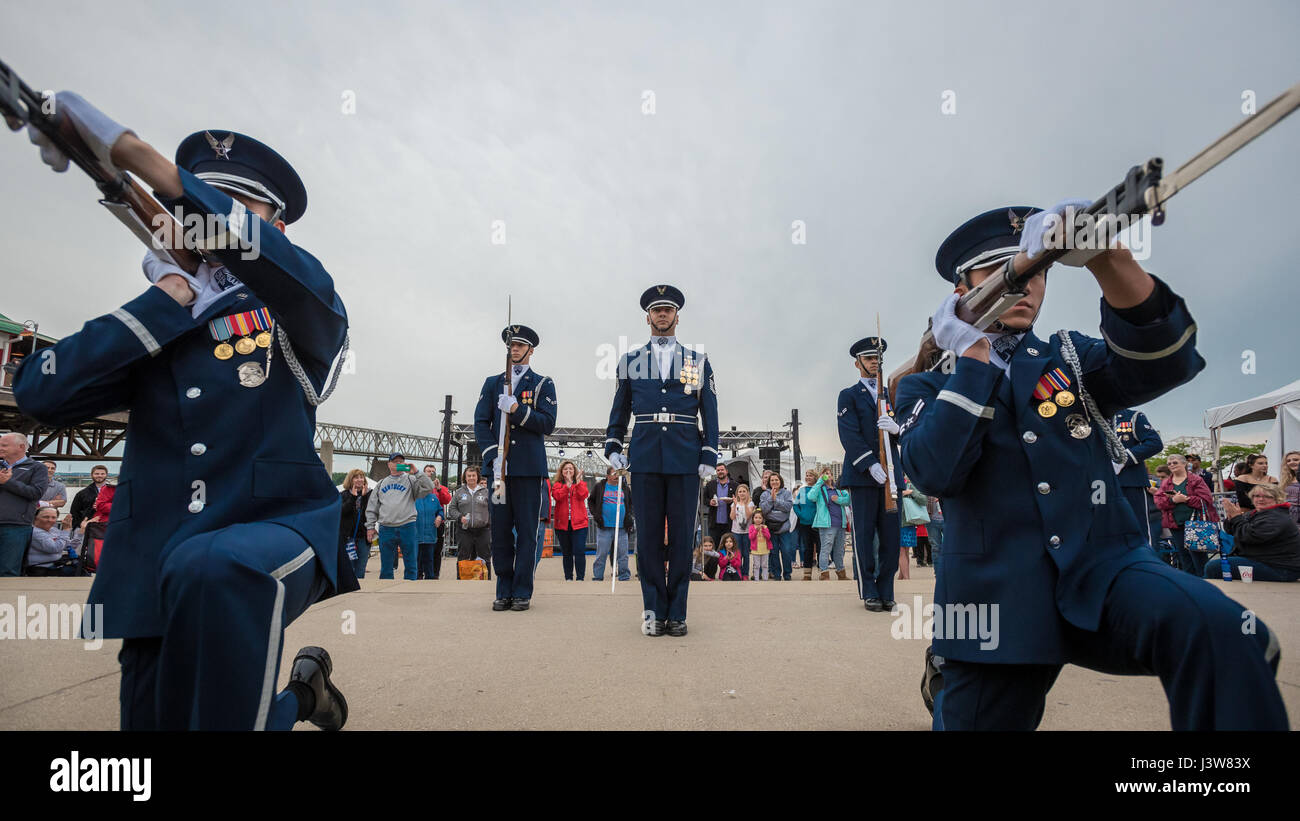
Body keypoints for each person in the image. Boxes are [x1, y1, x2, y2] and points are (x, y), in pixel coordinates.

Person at [12, 105, 352, 729]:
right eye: (204, 198)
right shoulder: (156, 322)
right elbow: (39, 391)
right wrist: (167, 298)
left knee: (215, 570)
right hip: (154, 558)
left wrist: (137, 156)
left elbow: (270, 263)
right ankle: (303, 696)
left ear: (279, 229)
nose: (209, 216)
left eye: (240, 205)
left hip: (270, 528)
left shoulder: (298, 306)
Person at [896, 201, 1286, 730]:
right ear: (963, 289)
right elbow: (935, 473)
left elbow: (1165, 359)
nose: (1024, 285)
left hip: (1107, 575)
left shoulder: (1068, 358)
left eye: (1036, 271)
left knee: (1231, 634)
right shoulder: (929, 384)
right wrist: (972, 359)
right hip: (995, 602)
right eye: (1001, 272)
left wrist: (1106, 255)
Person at [605, 284, 720, 637]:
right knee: (649, 538)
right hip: (644, 455)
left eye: (668, 310)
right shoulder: (631, 361)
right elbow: (620, 408)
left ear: (677, 317)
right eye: (657, 310)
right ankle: (653, 611)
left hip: (686, 456)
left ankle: (678, 613)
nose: (662, 315)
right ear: (648, 317)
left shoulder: (697, 360)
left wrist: (709, 453)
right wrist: (612, 444)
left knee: (684, 536)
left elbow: (710, 411)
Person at [474, 324, 557, 612]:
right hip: (499, 473)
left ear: (531, 350)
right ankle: (503, 588)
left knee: (526, 532)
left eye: (521, 345)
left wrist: (517, 410)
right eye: (512, 345)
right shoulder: (493, 383)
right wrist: (491, 454)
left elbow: (547, 423)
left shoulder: (542, 383)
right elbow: (480, 423)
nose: (515, 350)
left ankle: (522, 590)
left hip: (529, 471)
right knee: (500, 532)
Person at [839, 337, 906, 611]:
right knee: (864, 536)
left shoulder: (893, 393)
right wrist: (869, 463)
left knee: (891, 536)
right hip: (863, 475)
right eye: (868, 358)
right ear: (858, 364)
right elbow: (849, 433)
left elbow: (911, 422)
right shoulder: (849, 395)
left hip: (891, 474)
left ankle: (886, 590)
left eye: (877, 358)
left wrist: (898, 429)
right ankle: (869, 590)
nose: (874, 362)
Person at [364, 453, 434, 580]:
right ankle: (385, 590)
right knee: (386, 566)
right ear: (389, 464)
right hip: (386, 527)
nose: (398, 464)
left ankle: (410, 592)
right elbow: (372, 507)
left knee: (411, 564)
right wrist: (370, 526)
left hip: (407, 526)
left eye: (401, 461)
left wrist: (416, 471)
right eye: (395, 461)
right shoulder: (381, 483)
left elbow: (429, 487)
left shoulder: (411, 479)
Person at [1212, 484, 1300, 581]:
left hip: (1281, 567)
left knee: (1214, 567)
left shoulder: (1277, 517)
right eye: (1256, 496)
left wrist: (1236, 517)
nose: (1260, 499)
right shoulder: (1256, 513)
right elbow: (1233, 531)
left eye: (1267, 496)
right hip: (1263, 560)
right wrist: (1230, 518)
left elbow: (1249, 536)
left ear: (1277, 499)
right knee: (1218, 565)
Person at [1152, 455, 1217, 576]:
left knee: (1198, 555)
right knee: (1184, 556)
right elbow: (1159, 502)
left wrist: (1186, 499)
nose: (1171, 465)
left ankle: (1205, 581)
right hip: (1175, 523)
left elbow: (1206, 500)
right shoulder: (1167, 482)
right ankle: (1191, 583)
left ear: (1184, 464)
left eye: (1175, 462)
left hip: (1195, 524)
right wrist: (1173, 500)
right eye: (1169, 463)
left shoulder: (1195, 480)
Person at [1111, 409, 1163, 548]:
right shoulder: (1086, 417)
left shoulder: (1132, 417)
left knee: (1137, 530)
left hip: (1130, 482)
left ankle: (1145, 565)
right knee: (1103, 528)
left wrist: (1122, 459)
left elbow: (1154, 443)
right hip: (1099, 484)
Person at [0, 432, 48, 577]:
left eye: (4, 445)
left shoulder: (37, 468)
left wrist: (8, 482)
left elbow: (36, 493)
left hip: (15, 526)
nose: (0, 448)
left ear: (21, 447)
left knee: (8, 570)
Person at [589, 467, 633, 582]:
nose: (616, 476)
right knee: (601, 553)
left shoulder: (624, 488)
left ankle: (624, 576)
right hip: (605, 527)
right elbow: (591, 501)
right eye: (614, 473)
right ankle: (598, 576)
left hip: (622, 527)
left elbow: (631, 503)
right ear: (607, 476)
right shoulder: (599, 487)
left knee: (623, 554)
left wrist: (629, 516)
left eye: (618, 474)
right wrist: (596, 515)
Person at [550, 460, 590, 581]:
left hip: (580, 524)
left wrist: (577, 482)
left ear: (574, 471)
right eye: (565, 469)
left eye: (571, 469)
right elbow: (557, 497)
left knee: (579, 551)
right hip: (562, 524)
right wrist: (567, 486)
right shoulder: (557, 485)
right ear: (561, 472)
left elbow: (583, 495)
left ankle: (580, 578)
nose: (568, 471)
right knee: (566, 553)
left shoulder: (581, 483)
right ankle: (568, 577)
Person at [449, 466, 492, 575]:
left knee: (484, 557)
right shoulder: (459, 492)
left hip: (483, 530)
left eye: (473, 475)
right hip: (464, 531)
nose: (471, 478)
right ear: (465, 477)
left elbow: (493, 509)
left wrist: (488, 521)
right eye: (469, 476)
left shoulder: (486, 492)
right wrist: (460, 517)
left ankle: (485, 581)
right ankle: (462, 581)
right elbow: (452, 509)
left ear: (477, 477)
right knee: (463, 557)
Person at [807, 471, 850, 580]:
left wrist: (838, 500)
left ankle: (841, 573)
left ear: (832, 476)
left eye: (829, 473)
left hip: (841, 524)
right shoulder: (820, 490)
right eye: (824, 473)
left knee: (839, 550)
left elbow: (848, 500)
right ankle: (824, 573)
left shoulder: (838, 490)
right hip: (827, 524)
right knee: (826, 549)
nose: (827, 475)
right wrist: (820, 480)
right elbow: (811, 496)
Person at [759, 473, 795, 580]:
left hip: (784, 528)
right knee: (773, 552)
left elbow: (788, 507)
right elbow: (764, 510)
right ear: (769, 482)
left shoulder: (787, 493)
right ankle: (777, 574)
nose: (774, 482)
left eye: (776, 480)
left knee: (786, 551)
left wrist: (776, 501)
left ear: (780, 481)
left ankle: (787, 574)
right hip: (770, 529)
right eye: (772, 480)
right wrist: (771, 499)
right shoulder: (765, 494)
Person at [27, 507, 83, 576]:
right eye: (45, 517)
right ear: (35, 518)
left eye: (53, 517)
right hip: (40, 568)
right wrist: (66, 530)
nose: (50, 520)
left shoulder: (53, 530)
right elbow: (55, 548)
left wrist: (81, 532)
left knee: (81, 567)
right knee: (81, 572)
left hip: (55, 565)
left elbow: (69, 546)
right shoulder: (35, 532)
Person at [338, 469, 372, 579]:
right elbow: (342, 512)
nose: (359, 480)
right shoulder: (343, 495)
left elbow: (371, 512)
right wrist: (352, 498)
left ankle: (360, 593)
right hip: (348, 537)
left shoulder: (370, 494)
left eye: (361, 477)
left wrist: (365, 497)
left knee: (360, 569)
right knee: (349, 569)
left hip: (363, 537)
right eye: (356, 477)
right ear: (351, 480)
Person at [414, 472, 445, 581]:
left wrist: (439, 517)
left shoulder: (433, 498)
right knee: (416, 561)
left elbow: (440, 511)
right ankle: (416, 580)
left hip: (430, 536)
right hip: (416, 536)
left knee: (429, 561)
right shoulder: (413, 497)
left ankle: (430, 581)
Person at [791, 469, 820, 580]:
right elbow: (796, 506)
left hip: (818, 524)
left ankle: (822, 572)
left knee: (820, 548)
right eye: (807, 475)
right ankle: (807, 574)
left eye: (810, 475)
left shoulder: (819, 490)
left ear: (815, 477)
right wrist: (801, 515)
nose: (808, 477)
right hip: (805, 524)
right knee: (807, 548)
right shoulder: (803, 491)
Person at [701, 463, 736, 552]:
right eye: (718, 470)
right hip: (714, 523)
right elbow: (703, 499)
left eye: (722, 470)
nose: (720, 472)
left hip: (729, 524)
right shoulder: (710, 485)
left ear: (726, 471)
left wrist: (732, 501)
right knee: (713, 548)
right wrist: (710, 502)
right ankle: (713, 566)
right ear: (716, 472)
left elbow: (740, 500)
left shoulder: (734, 485)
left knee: (728, 549)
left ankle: (727, 566)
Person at [69, 464, 109, 530]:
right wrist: (80, 524)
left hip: (108, 525)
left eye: (102, 474)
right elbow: (74, 512)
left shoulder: (114, 492)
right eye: (97, 474)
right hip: (88, 527)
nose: (99, 475)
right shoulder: (82, 493)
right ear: (92, 475)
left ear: (106, 475)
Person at [729, 484, 755, 579]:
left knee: (746, 554)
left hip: (747, 532)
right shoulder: (734, 504)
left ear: (748, 493)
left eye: (744, 491)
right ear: (737, 493)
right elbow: (732, 517)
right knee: (737, 553)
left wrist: (744, 504)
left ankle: (745, 574)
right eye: (740, 491)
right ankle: (738, 571)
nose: (742, 493)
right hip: (736, 532)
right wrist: (736, 505)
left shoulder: (751, 504)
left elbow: (748, 516)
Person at [748, 509, 773, 580]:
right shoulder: (751, 527)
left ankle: (765, 578)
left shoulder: (765, 527)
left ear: (762, 519)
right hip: (756, 550)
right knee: (756, 565)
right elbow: (751, 537)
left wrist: (764, 530)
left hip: (765, 549)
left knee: (765, 565)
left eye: (760, 518)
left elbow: (768, 537)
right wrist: (756, 530)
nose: (758, 519)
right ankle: (756, 578)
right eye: (756, 518)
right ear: (753, 519)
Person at [1282, 451, 1300, 525]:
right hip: (1287, 513)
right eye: (1288, 461)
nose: (1291, 462)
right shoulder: (1286, 479)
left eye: (1296, 460)